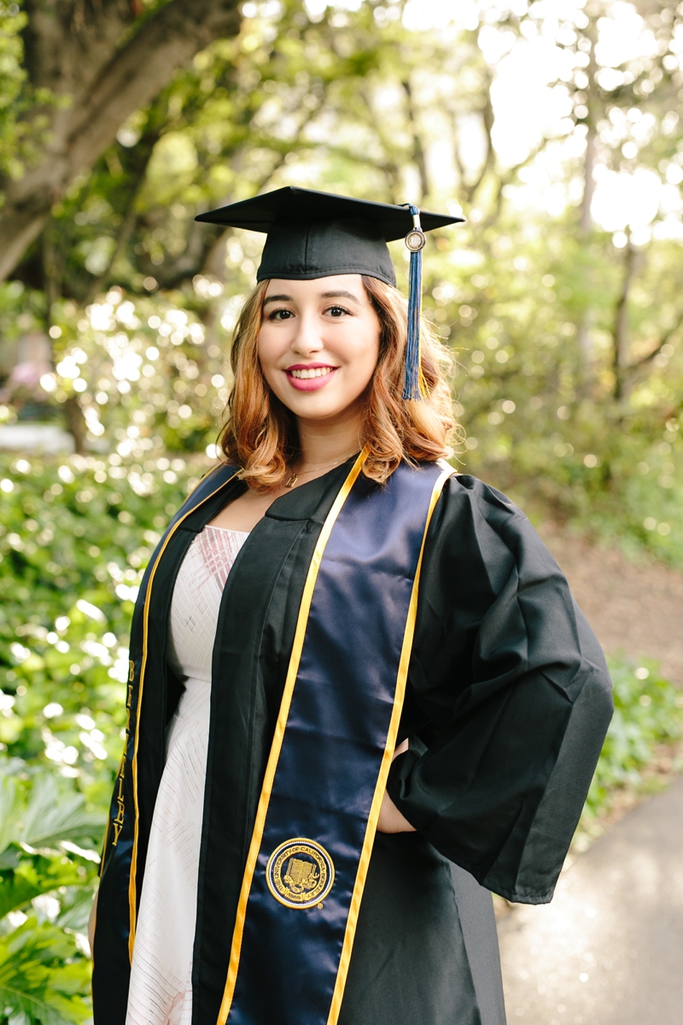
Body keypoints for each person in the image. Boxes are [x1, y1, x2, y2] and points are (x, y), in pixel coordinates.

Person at [91, 188, 613, 1025]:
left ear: (385, 330)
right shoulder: (220, 495)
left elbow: (562, 678)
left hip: (341, 901)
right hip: (183, 843)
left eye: (336, 308)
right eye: (278, 311)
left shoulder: (436, 513)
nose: (303, 339)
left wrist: (405, 799)